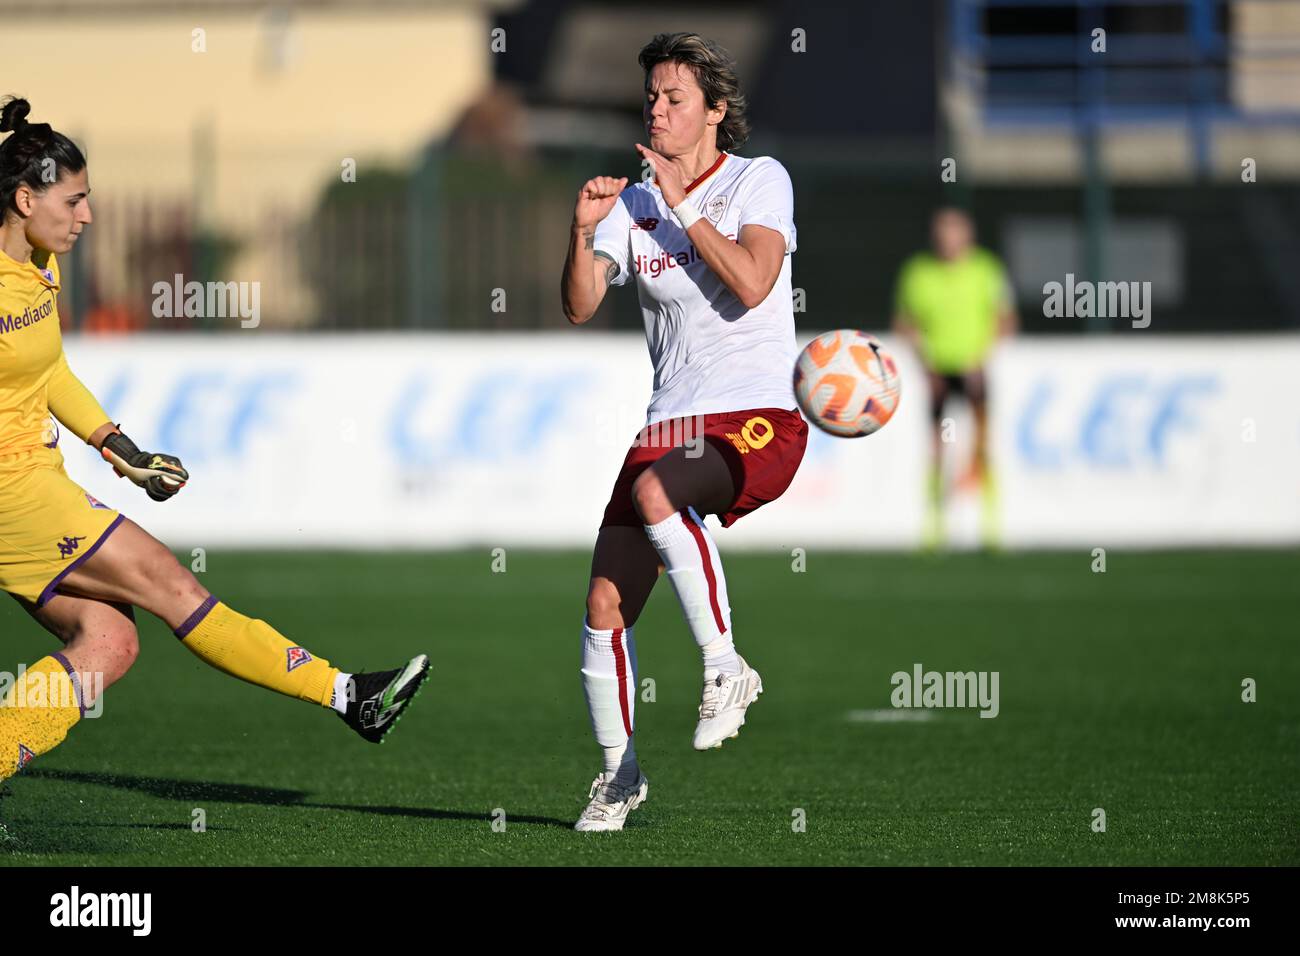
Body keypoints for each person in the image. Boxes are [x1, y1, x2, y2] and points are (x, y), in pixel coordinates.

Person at [0, 97, 429, 837]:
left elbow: (50, 372)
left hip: (40, 483)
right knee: (175, 588)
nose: (88, 217)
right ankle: (347, 694)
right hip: (13, 497)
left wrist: (118, 448)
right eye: (75, 200)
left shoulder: (39, 266)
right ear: (24, 198)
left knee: (110, 644)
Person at [560, 34, 807, 831]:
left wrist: (685, 205)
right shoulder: (634, 202)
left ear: (715, 112)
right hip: (669, 422)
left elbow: (752, 279)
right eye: (651, 99)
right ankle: (618, 776)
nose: (658, 110)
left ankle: (725, 666)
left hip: (757, 416)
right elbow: (579, 305)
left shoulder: (755, 180)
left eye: (674, 99)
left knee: (658, 490)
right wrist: (581, 231)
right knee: (603, 604)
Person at [892, 207, 1017, 544]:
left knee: (982, 445)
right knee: (937, 447)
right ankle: (934, 528)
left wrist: (980, 358)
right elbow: (905, 322)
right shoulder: (918, 271)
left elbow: (1005, 320)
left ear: (968, 235)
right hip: (937, 371)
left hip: (973, 369)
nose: (948, 239)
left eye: (955, 231)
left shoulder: (985, 269)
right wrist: (924, 360)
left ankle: (991, 528)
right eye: (943, 231)